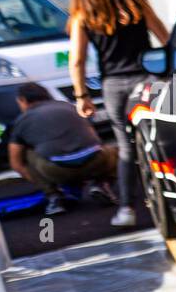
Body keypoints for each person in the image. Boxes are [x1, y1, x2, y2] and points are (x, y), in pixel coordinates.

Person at [68, 0, 169, 227]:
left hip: (113, 86)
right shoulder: (137, 3)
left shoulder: (83, 15)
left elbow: (76, 59)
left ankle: (126, 209)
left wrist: (82, 97)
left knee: (126, 148)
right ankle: (172, 199)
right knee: (159, 140)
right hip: (147, 80)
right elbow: (165, 39)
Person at [7, 82, 116, 216]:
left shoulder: (22, 120)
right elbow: (94, 138)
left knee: (27, 155)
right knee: (112, 150)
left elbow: (15, 164)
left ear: (22, 100)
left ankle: (54, 196)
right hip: (96, 162)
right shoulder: (70, 106)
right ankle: (101, 184)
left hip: (56, 170)